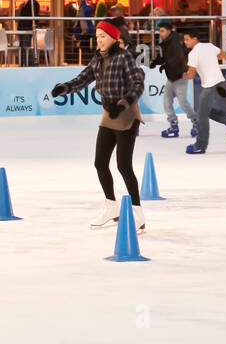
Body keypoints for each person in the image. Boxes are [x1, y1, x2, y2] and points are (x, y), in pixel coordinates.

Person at [51, 21, 147, 231]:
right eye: (97, 36)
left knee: (123, 165)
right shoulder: (98, 59)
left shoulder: (124, 57)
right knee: (100, 162)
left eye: (103, 36)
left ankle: (137, 212)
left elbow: (138, 85)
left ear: (113, 37)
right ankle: (111, 205)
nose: (99, 40)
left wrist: (122, 105)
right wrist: (64, 88)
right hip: (108, 114)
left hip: (127, 115)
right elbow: (83, 79)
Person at [183, 26, 226, 153]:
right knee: (203, 110)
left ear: (194, 39)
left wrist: (182, 75)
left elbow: (190, 76)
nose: (185, 42)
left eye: (187, 39)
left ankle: (200, 145)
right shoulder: (209, 46)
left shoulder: (193, 54)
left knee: (201, 116)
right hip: (217, 83)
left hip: (210, 85)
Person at [153, 19, 194, 138]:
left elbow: (177, 58)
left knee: (183, 103)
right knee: (167, 102)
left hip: (180, 76)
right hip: (172, 77)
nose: (160, 33)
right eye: (159, 31)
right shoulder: (168, 41)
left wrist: (164, 64)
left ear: (169, 31)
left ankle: (197, 123)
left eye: (162, 31)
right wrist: (157, 61)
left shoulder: (175, 41)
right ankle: (173, 125)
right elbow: (167, 58)